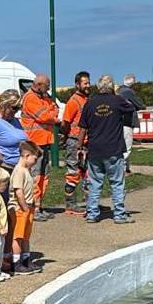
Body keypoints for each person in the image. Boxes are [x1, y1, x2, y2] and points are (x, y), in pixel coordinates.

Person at [80, 75, 139, 224]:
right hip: (114, 148)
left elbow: (82, 128)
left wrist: (79, 146)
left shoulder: (90, 103)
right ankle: (119, 214)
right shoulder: (117, 100)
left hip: (95, 149)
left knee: (95, 183)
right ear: (112, 87)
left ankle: (92, 213)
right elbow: (132, 107)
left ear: (98, 87)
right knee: (117, 183)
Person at [19, 74, 60, 221]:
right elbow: (44, 117)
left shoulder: (45, 97)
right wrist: (53, 116)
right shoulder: (30, 98)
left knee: (44, 176)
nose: (48, 89)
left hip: (45, 141)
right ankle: (32, 208)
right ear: (38, 85)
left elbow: (55, 109)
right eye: (47, 86)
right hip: (34, 143)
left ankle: (38, 206)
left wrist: (51, 113)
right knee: (35, 177)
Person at [8, 140, 43, 274]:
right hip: (19, 208)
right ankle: (16, 263)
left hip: (28, 207)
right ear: (27, 155)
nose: (35, 162)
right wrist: (24, 206)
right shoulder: (19, 171)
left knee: (26, 236)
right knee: (18, 236)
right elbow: (18, 191)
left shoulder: (26, 171)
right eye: (35, 159)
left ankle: (26, 259)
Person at [60, 71, 92, 214]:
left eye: (88, 82)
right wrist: (67, 136)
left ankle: (89, 203)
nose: (88, 85)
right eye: (85, 83)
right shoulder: (73, 101)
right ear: (77, 84)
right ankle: (70, 204)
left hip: (86, 142)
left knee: (87, 173)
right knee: (73, 172)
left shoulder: (87, 99)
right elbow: (65, 122)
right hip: (74, 141)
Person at [118, 74, 144, 170]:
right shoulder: (128, 92)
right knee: (127, 146)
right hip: (127, 122)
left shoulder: (119, 91)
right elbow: (139, 105)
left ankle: (127, 167)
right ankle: (123, 169)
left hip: (119, 121)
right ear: (132, 82)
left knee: (122, 146)